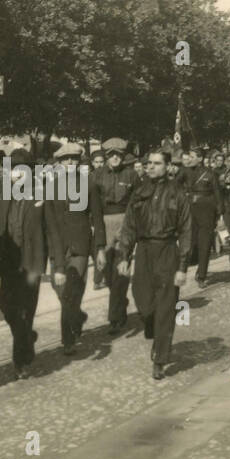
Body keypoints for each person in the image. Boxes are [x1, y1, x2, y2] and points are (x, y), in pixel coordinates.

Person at [117, 149, 191, 380]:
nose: (150, 167)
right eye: (148, 163)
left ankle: (160, 358)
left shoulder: (178, 193)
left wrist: (182, 267)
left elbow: (187, 230)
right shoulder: (139, 192)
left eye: (156, 163)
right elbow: (129, 226)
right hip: (144, 251)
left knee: (167, 308)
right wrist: (124, 256)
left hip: (168, 251)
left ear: (167, 166)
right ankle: (151, 326)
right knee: (143, 300)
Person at [0, 149, 47, 378]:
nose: (17, 173)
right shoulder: (0, 195)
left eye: (21, 168)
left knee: (26, 310)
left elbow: (50, 229)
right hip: (8, 261)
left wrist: (52, 262)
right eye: (13, 168)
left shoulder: (41, 194)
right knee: (6, 306)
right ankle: (25, 336)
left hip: (31, 261)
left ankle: (21, 360)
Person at [45, 143, 95, 355]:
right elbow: (49, 222)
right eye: (66, 160)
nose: (70, 163)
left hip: (80, 246)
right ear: (59, 163)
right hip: (57, 247)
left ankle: (68, 339)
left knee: (72, 292)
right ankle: (77, 317)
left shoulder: (88, 185)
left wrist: (98, 248)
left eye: (74, 159)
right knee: (61, 291)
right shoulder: (50, 187)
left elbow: (97, 219)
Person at [92, 137, 137, 332]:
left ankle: (114, 318)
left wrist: (130, 226)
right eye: (111, 155)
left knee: (120, 269)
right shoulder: (96, 176)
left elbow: (137, 203)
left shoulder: (132, 175)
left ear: (123, 156)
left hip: (125, 223)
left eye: (118, 154)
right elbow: (91, 205)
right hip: (102, 224)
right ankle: (121, 303)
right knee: (107, 274)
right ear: (106, 156)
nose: (115, 158)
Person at [181, 148, 223, 286]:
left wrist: (219, 212)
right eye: (189, 157)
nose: (189, 159)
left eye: (192, 157)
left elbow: (217, 193)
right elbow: (174, 187)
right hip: (189, 210)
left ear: (199, 159)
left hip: (206, 212)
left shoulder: (210, 173)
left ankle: (202, 275)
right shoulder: (185, 172)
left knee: (204, 243)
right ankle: (183, 268)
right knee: (189, 242)